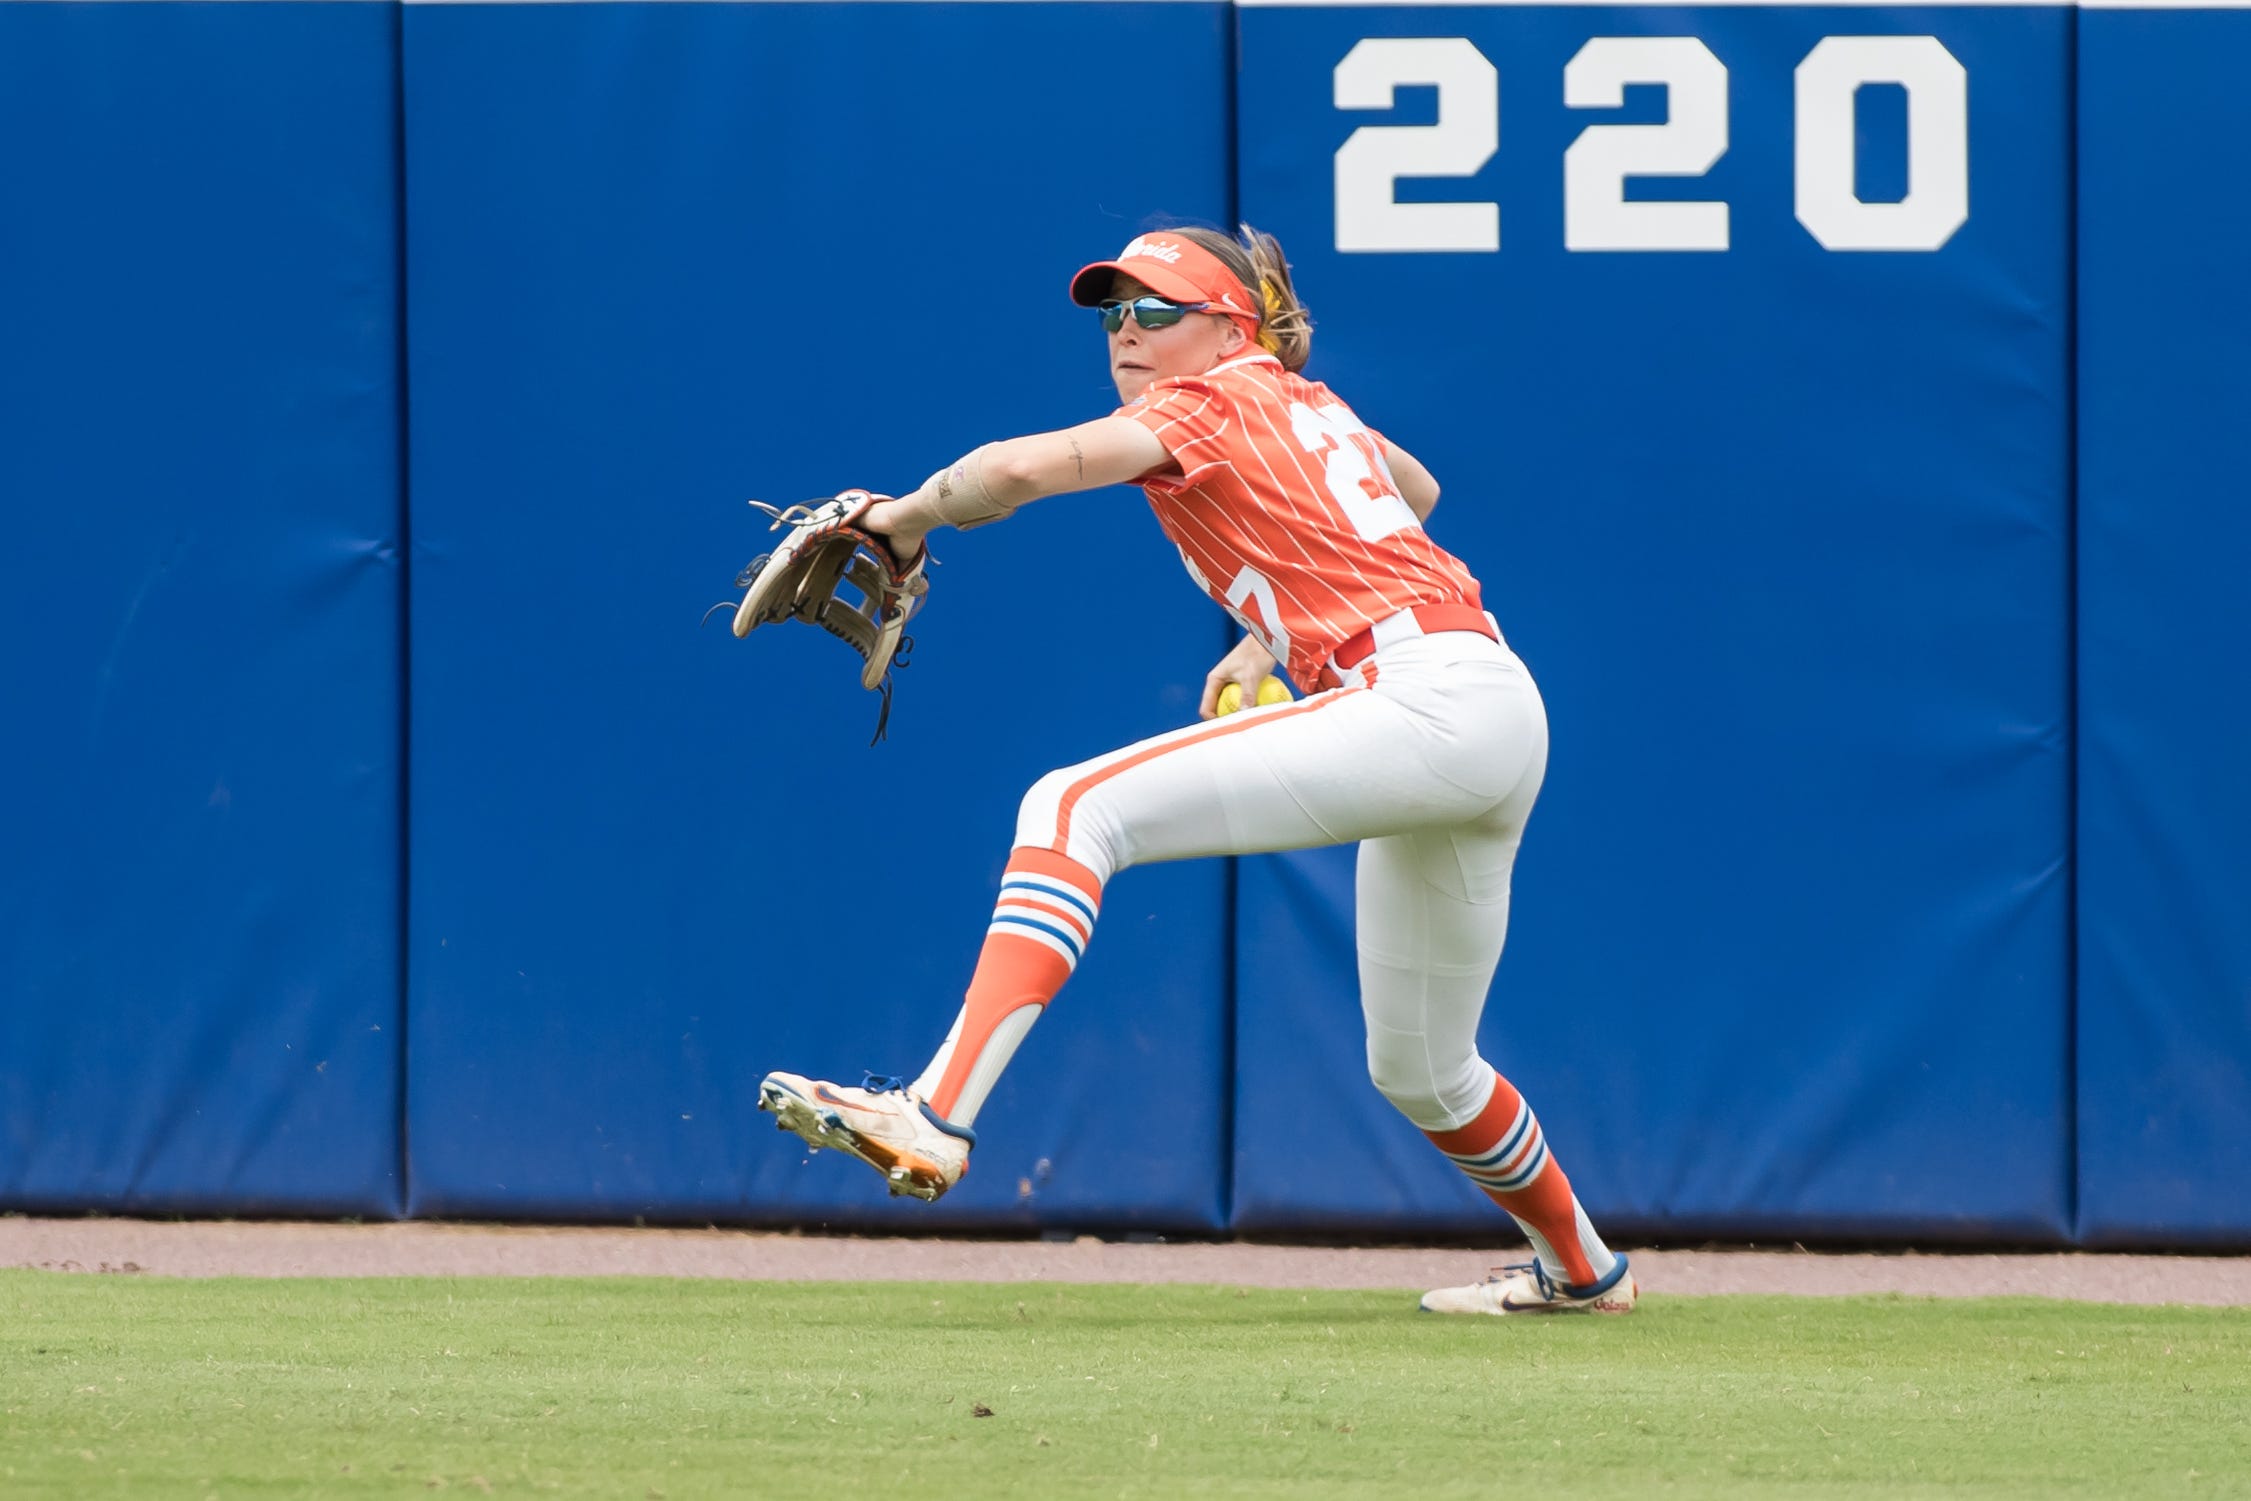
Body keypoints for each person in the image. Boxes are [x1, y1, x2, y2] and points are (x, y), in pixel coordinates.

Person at [759, 224, 1635, 1316]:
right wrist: (1271, 634)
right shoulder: (1305, 400)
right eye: (1112, 312)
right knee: (1420, 1065)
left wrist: (895, 523)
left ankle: (933, 1111)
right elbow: (1413, 487)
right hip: (1486, 700)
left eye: (1157, 310)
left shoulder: (1207, 400)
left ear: (1229, 326)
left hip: (1418, 697)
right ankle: (1581, 1267)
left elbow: (1022, 469)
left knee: (1073, 805)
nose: (1126, 331)